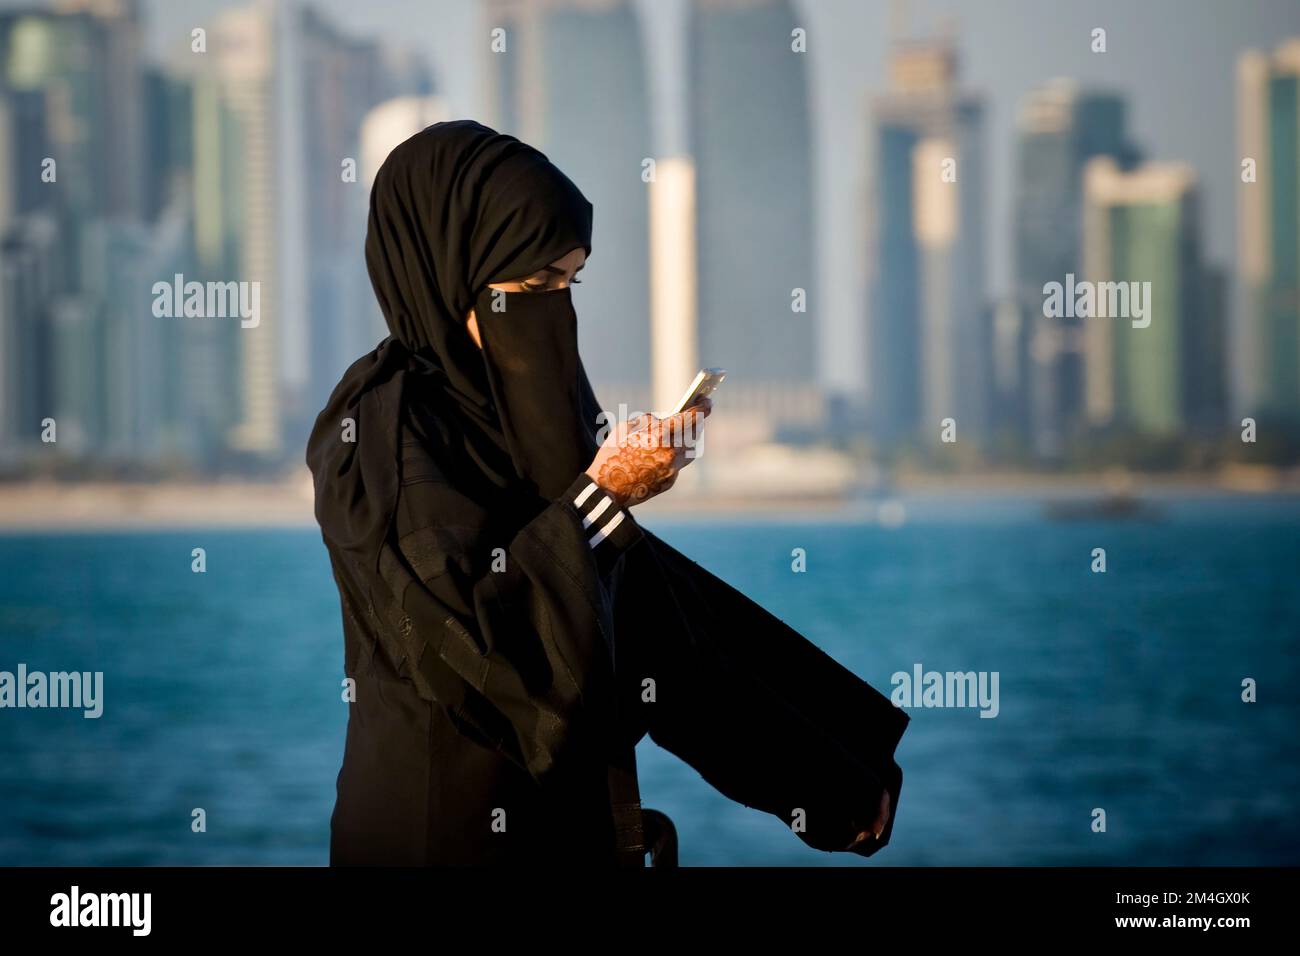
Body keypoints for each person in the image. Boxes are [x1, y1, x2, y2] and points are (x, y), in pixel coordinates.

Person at [305, 119, 908, 866]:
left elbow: (656, 623)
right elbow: (483, 645)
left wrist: (829, 777)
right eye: (532, 287)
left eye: (569, 284)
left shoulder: (514, 420)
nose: (553, 313)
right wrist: (601, 499)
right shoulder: (382, 436)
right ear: (449, 271)